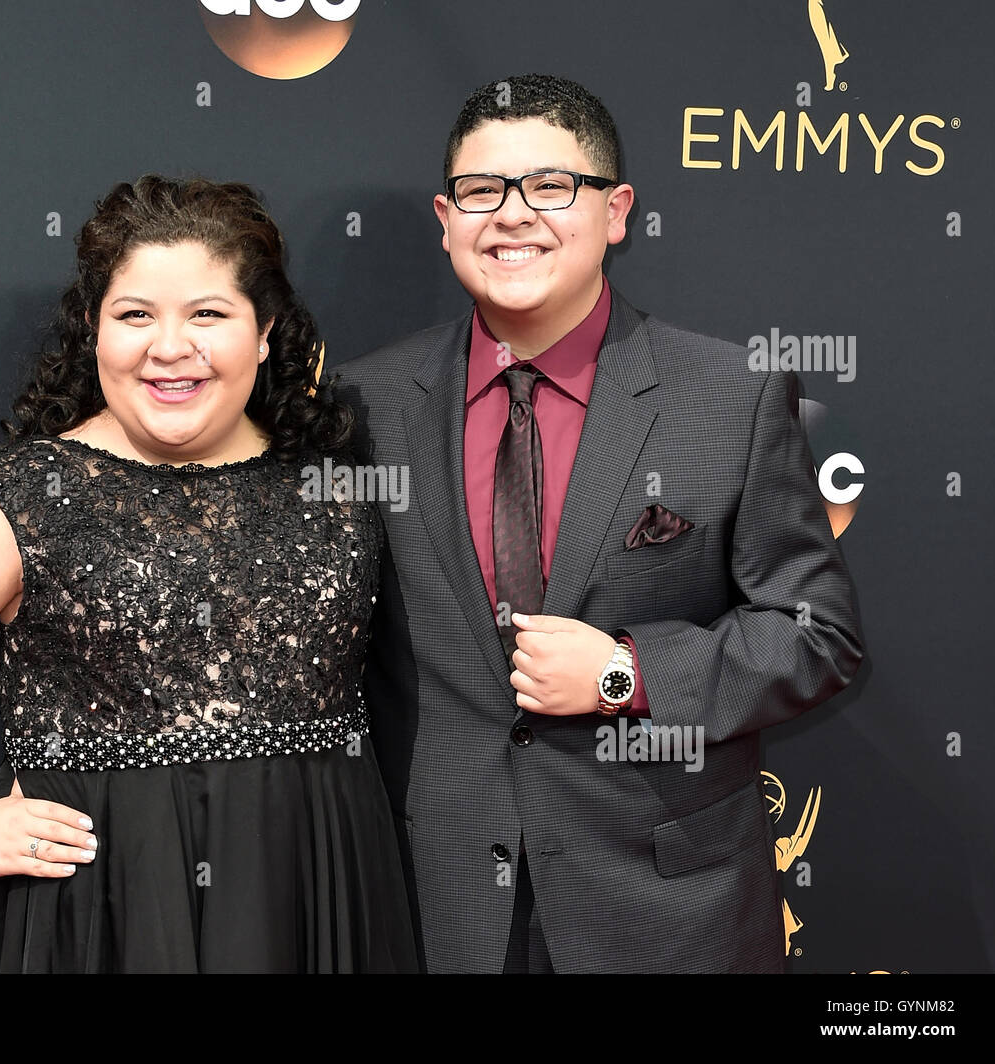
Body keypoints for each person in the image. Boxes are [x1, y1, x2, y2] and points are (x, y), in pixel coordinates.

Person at [0, 175, 417, 973]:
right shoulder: (28, 498)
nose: (169, 346)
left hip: (318, 888)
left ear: (264, 332)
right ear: (93, 331)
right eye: (135, 315)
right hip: (98, 914)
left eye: (208, 314)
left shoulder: (337, 487)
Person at [328, 74, 865, 973]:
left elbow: (819, 637)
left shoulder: (730, 396)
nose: (511, 215)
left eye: (550, 186)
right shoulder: (363, 404)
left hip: (667, 911)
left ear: (616, 211)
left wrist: (627, 673)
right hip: (435, 904)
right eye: (481, 192)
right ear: (446, 217)